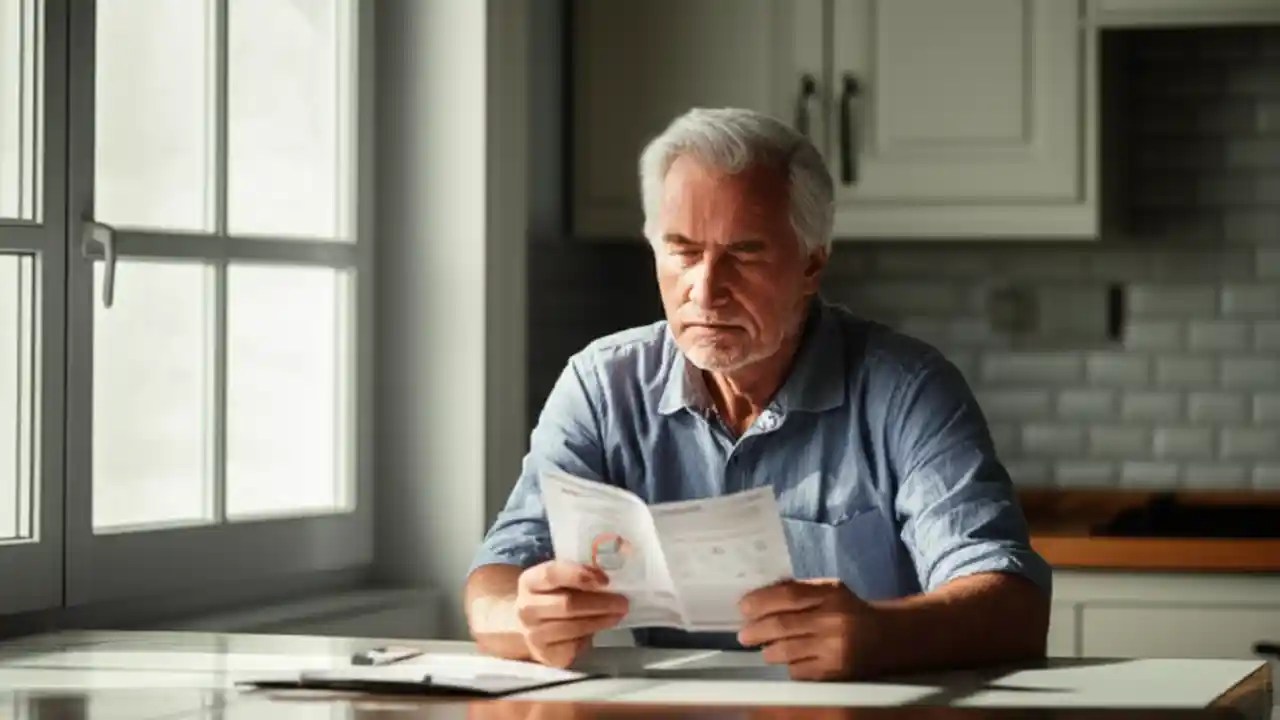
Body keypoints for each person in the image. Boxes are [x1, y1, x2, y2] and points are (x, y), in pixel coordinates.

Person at [464, 108, 1051, 681]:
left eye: (744, 254)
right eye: (683, 251)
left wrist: (882, 634)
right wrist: (519, 617)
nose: (706, 290)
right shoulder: (602, 388)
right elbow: (496, 573)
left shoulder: (907, 391)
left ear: (812, 265)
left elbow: (1014, 605)